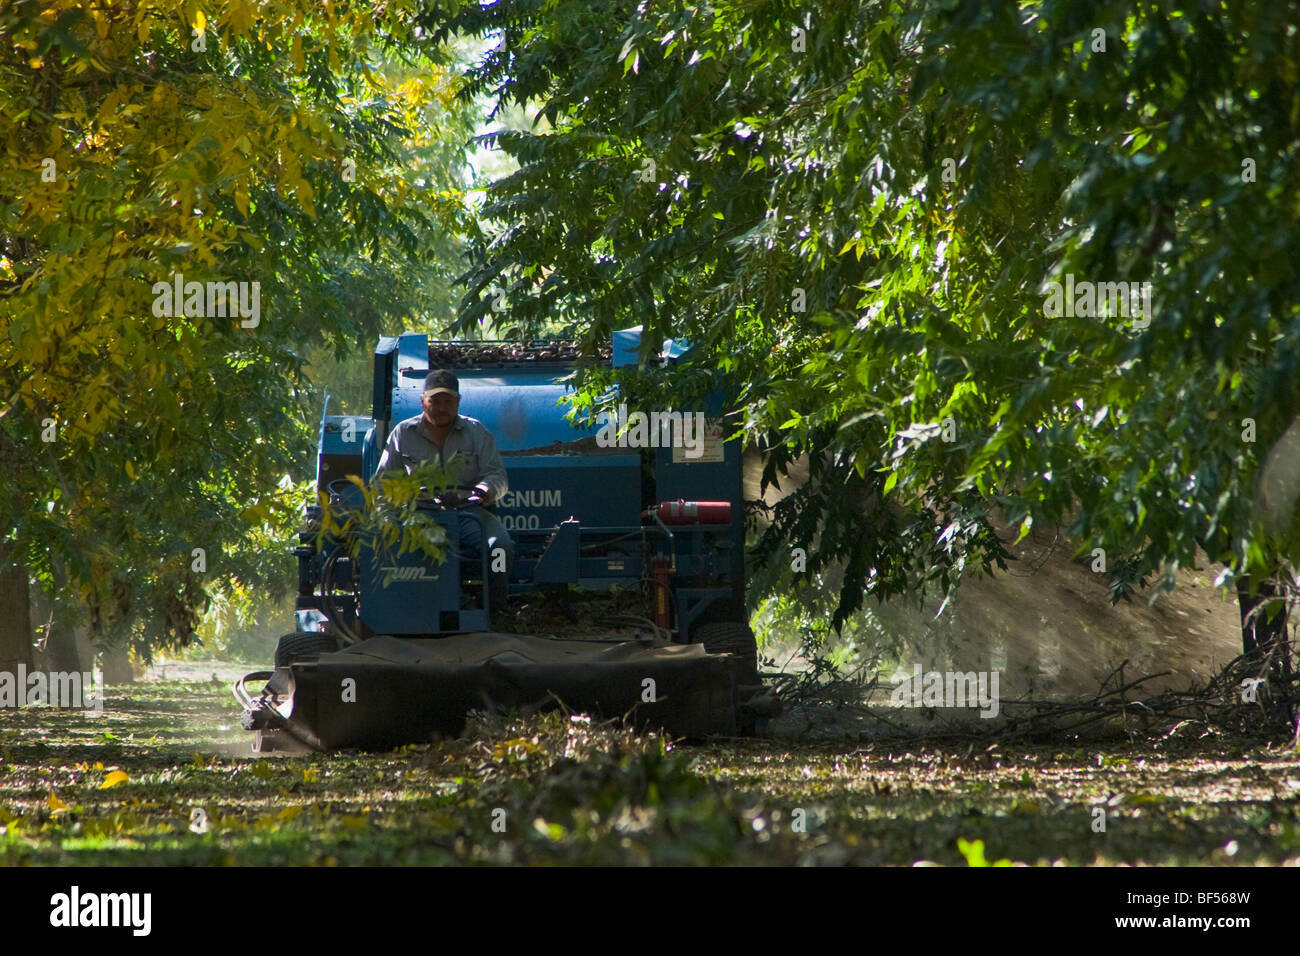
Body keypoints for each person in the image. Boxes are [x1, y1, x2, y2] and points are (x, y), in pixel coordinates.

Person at [373, 369, 513, 620]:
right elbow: (383, 485)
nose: (441, 407)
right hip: (421, 515)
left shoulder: (476, 432)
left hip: (469, 513)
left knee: (500, 548)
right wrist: (390, 520)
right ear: (423, 401)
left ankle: (494, 606)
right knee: (432, 552)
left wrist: (483, 491)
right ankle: (457, 606)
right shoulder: (403, 434)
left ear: (457, 402)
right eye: (435, 401)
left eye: (448, 401)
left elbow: (498, 476)